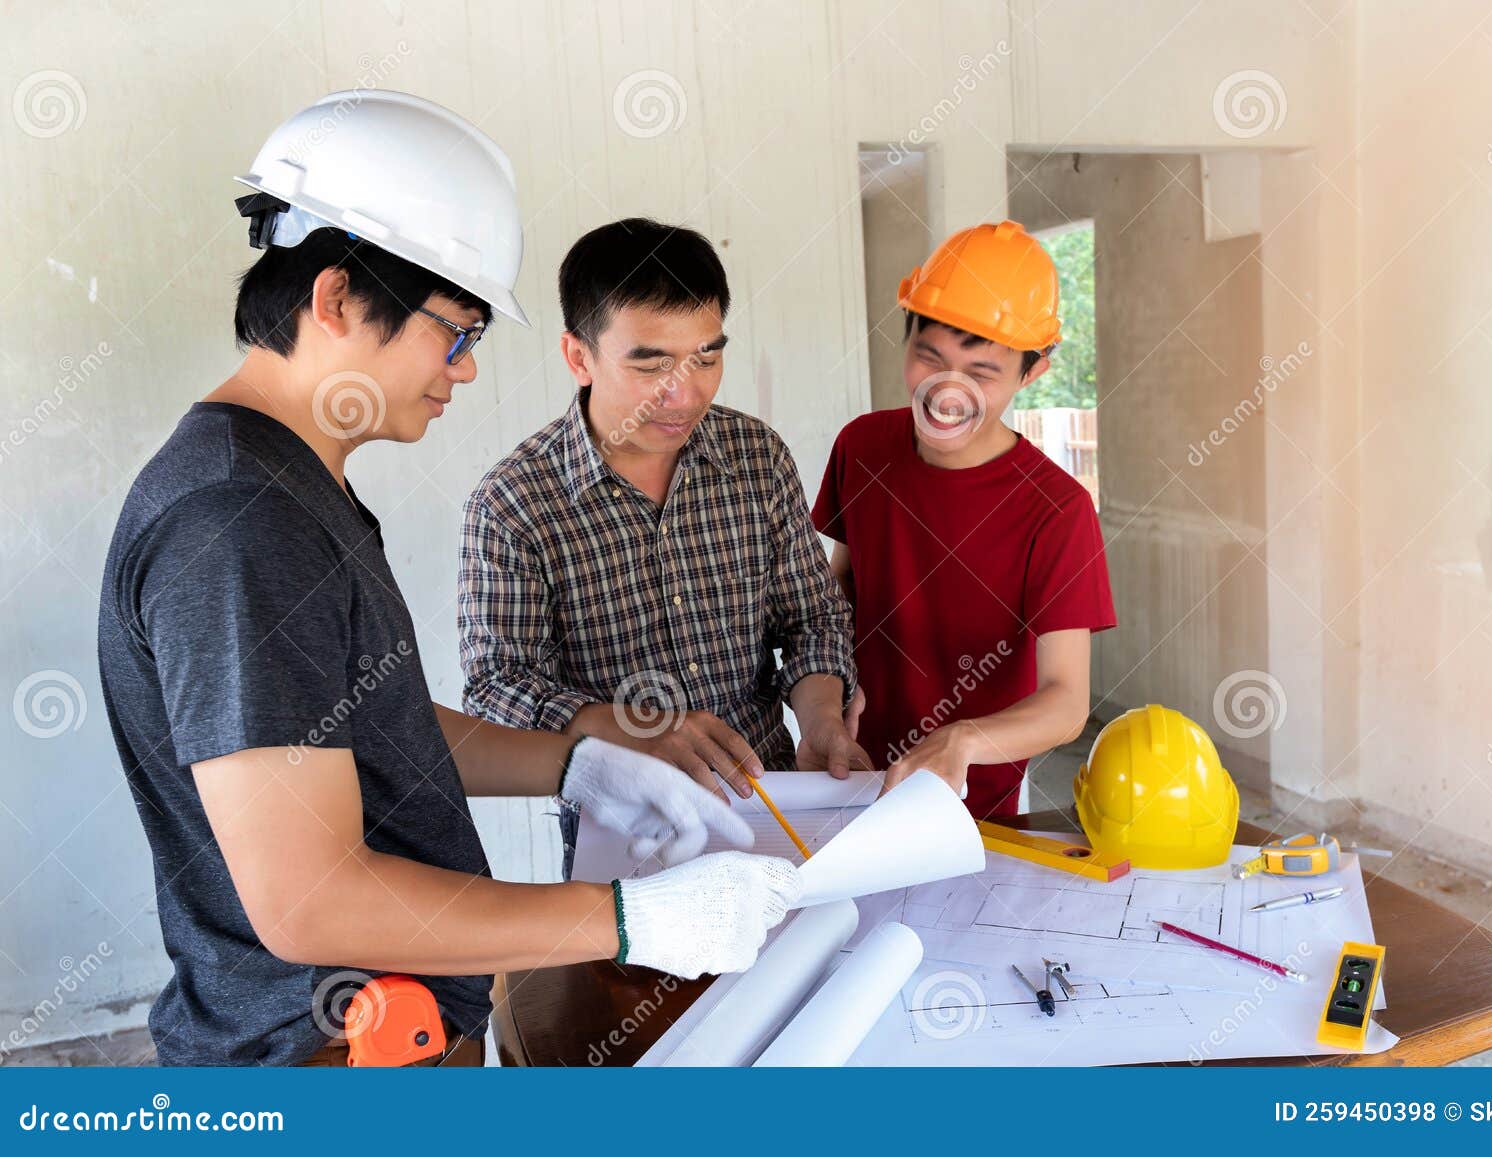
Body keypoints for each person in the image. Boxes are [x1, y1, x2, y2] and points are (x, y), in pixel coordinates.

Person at [97, 91, 797, 1067]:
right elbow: (310, 900)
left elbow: (371, 722)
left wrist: (575, 763)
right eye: (455, 332)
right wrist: (626, 921)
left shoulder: (286, 485)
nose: (464, 371)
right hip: (327, 1057)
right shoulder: (241, 523)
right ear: (337, 298)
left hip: (393, 1034)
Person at [458, 218, 868, 872]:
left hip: (771, 799)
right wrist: (634, 728)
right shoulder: (516, 501)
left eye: (706, 356)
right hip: (621, 823)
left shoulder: (755, 458)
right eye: (650, 362)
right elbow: (496, 689)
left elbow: (812, 618)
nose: (686, 391)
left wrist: (821, 718)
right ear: (579, 356)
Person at [811, 220, 1117, 820]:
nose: (947, 392)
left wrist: (962, 741)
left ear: (1032, 373)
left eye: (981, 373)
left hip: (973, 800)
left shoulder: (1057, 510)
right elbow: (839, 589)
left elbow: (1066, 701)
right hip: (849, 773)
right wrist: (830, 688)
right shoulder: (862, 447)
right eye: (930, 358)